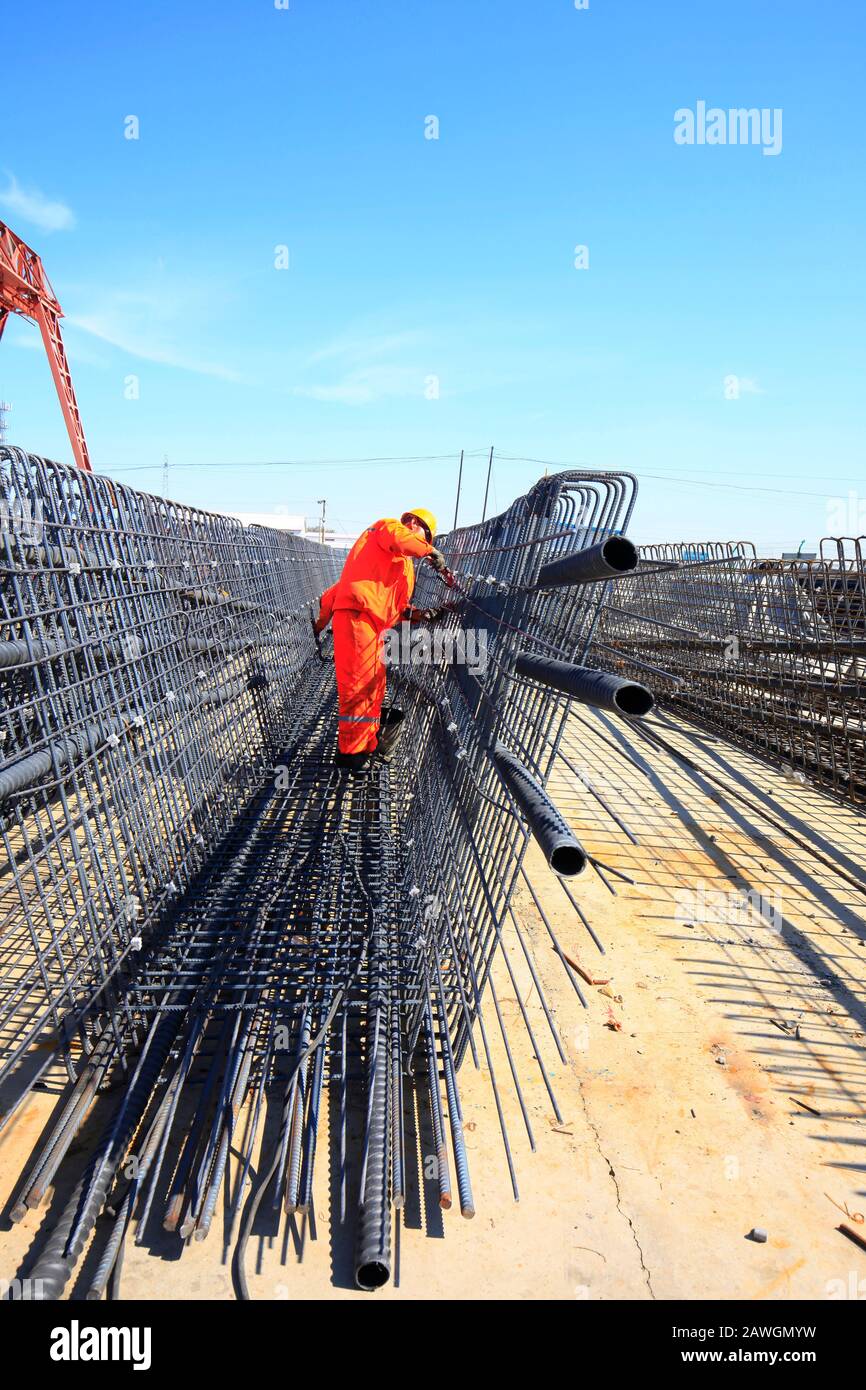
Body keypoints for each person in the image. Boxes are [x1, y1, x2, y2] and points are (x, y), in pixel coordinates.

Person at [312, 509, 451, 773]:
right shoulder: (386, 529)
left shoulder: (402, 566)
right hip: (357, 617)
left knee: (375, 685)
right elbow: (400, 537)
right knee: (358, 686)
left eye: (419, 524)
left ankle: (367, 742)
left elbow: (395, 608)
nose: (411, 524)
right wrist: (430, 553)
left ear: (428, 536)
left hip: (374, 625)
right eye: (409, 520)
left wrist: (419, 614)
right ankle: (350, 754)